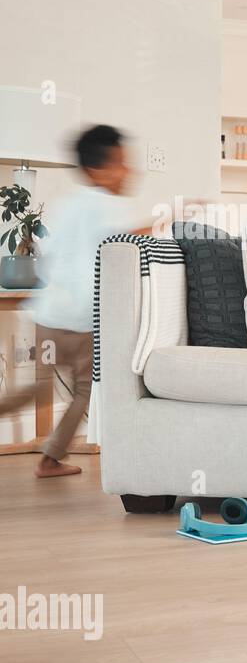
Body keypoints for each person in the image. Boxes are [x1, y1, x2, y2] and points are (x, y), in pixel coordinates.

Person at [1, 125, 140, 478]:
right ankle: (50, 459)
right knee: (83, 390)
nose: (128, 172)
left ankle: (51, 458)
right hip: (77, 320)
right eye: (121, 164)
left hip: (48, 315)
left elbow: (51, 257)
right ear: (97, 170)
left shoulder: (70, 203)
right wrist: (169, 221)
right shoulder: (106, 205)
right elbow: (126, 241)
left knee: (38, 388)